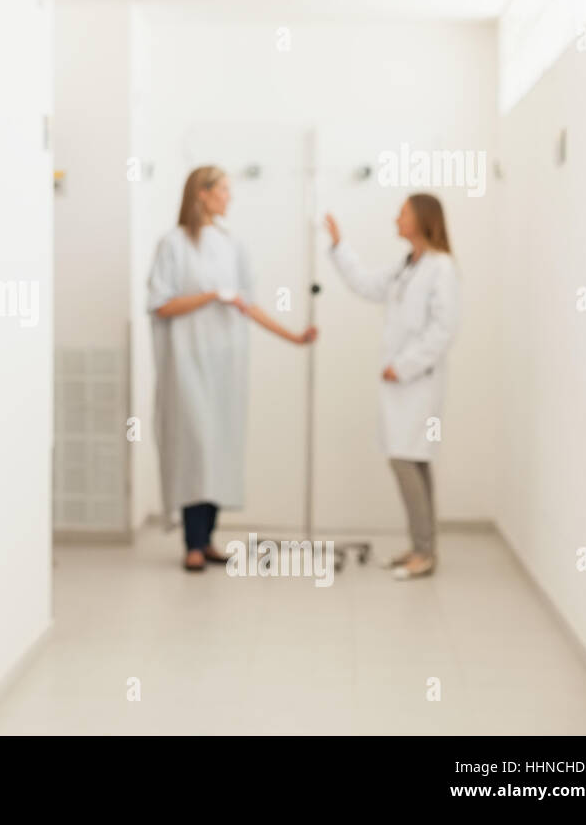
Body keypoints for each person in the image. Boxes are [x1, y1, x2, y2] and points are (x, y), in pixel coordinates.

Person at [147, 166, 317, 572]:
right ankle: (191, 541)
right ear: (201, 194)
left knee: (220, 446)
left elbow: (247, 303)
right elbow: (161, 304)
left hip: (226, 362)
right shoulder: (173, 244)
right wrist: (209, 295)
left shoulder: (232, 245)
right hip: (187, 362)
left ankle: (207, 539)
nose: (229, 197)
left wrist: (292, 336)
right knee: (195, 447)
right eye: (224, 189)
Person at [324, 194, 460, 581]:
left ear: (422, 219)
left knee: (407, 460)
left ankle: (424, 551)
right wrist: (339, 246)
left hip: (417, 381)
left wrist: (402, 366)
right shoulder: (408, 266)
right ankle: (422, 547)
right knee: (413, 460)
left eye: (402, 213)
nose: (396, 219)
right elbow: (366, 285)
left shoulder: (441, 269)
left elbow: (444, 329)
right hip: (402, 382)